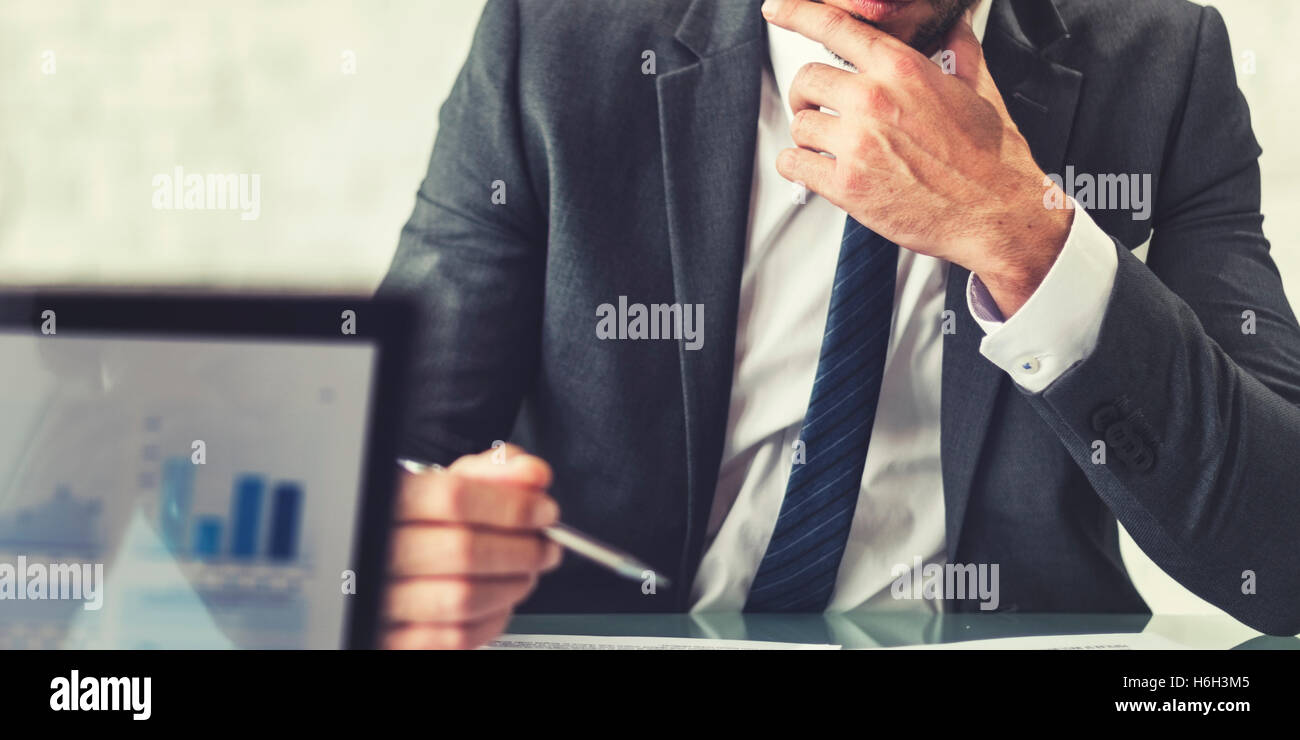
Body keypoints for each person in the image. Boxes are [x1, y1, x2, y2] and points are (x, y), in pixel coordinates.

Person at [376, 0, 1300, 649]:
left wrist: (1030, 240)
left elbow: (1283, 554)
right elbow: (391, 452)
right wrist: (405, 536)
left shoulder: (1164, 62)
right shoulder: (553, 38)